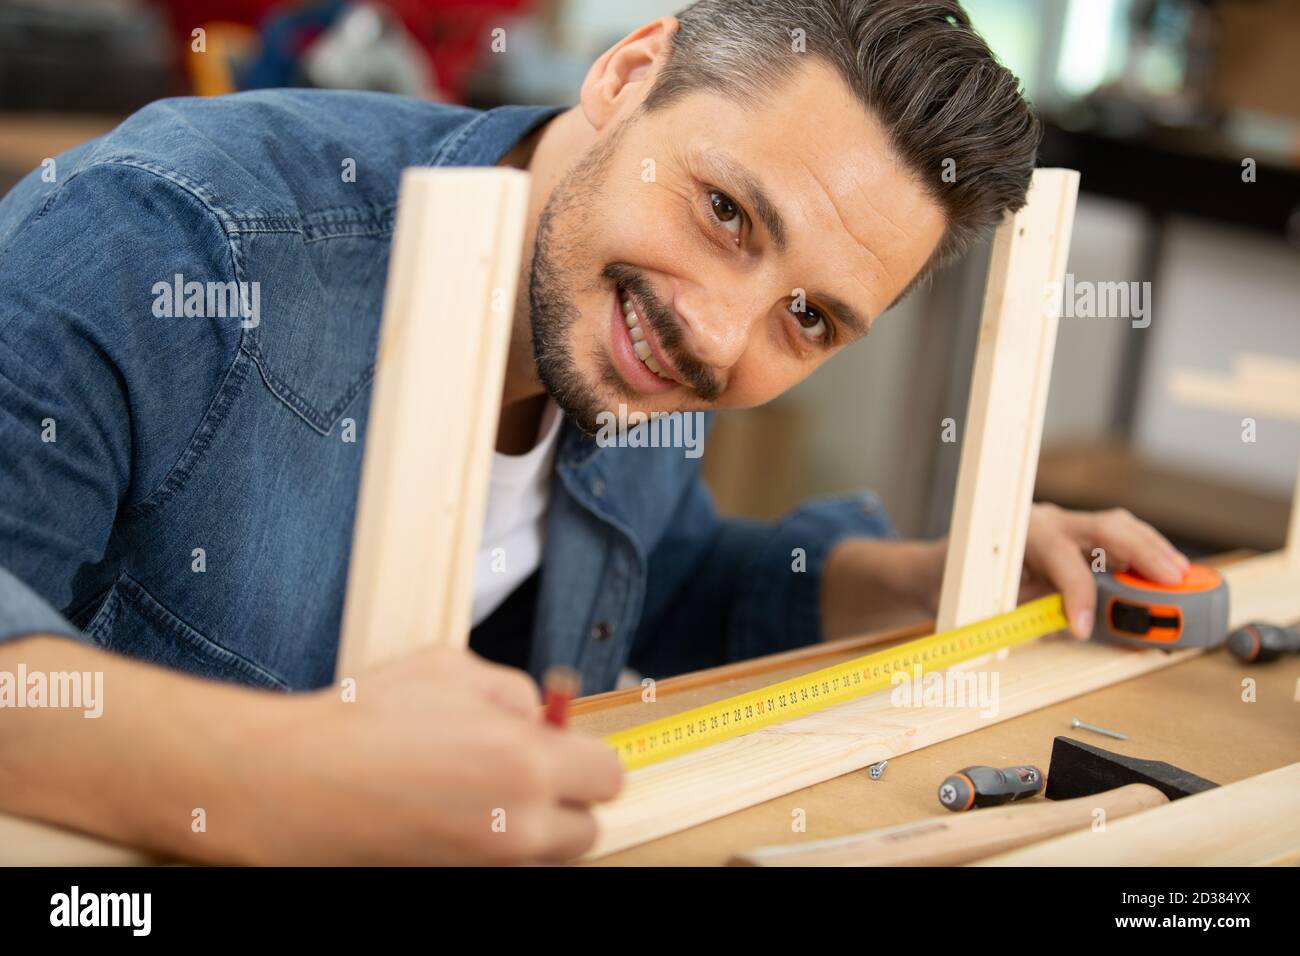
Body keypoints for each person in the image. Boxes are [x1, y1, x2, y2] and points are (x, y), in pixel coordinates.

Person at [0, 0, 1189, 863]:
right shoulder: (167, 238)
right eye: (726, 211)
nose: (721, 338)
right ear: (627, 74)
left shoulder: (630, 334)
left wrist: (934, 578)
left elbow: (655, 582)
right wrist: (278, 777)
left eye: (811, 317)